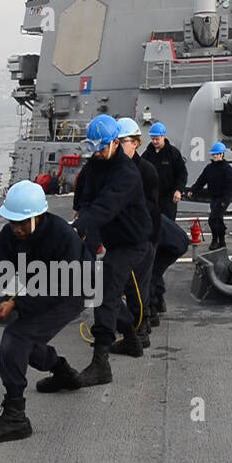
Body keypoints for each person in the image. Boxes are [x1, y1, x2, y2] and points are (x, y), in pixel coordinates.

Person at [0, 181, 92, 443]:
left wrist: (17, 303)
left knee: (16, 338)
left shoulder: (63, 236)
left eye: (23, 222)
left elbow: (62, 287)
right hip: (40, 287)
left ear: (39, 216)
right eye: (12, 222)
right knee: (26, 342)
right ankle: (63, 372)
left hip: (74, 290)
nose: (17, 229)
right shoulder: (10, 236)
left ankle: (15, 418)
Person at [72, 114, 152, 383]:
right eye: (93, 148)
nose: (97, 153)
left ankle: (100, 364)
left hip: (133, 242)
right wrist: (80, 219)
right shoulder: (97, 163)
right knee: (105, 290)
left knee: (104, 293)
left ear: (115, 142)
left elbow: (106, 205)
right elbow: (87, 194)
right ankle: (131, 339)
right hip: (115, 240)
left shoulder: (126, 173)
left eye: (101, 147)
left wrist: (81, 226)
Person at [116, 118, 161, 346]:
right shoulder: (117, 168)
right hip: (125, 238)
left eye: (122, 141)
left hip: (143, 238)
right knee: (127, 285)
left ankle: (140, 332)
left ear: (136, 143)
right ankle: (137, 327)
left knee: (137, 287)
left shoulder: (145, 171)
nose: (118, 146)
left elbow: (150, 208)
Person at [189, 142, 232, 250]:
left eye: (217, 154)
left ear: (222, 154)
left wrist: (225, 200)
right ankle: (222, 242)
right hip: (213, 198)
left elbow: (229, 187)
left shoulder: (228, 170)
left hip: (222, 199)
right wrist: (193, 191)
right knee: (218, 220)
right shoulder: (209, 168)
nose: (215, 156)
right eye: (213, 154)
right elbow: (201, 181)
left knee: (212, 219)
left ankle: (215, 240)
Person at [143, 122, 188, 220]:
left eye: (157, 139)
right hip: (151, 197)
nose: (154, 141)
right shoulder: (147, 154)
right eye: (153, 139)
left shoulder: (173, 153)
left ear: (163, 136)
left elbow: (182, 173)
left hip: (168, 198)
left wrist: (178, 190)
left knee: (168, 226)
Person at [150, 214, 191, 314]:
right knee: (155, 270)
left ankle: (152, 307)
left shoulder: (146, 217)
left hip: (173, 245)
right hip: (177, 240)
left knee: (151, 273)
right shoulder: (150, 211)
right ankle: (159, 301)